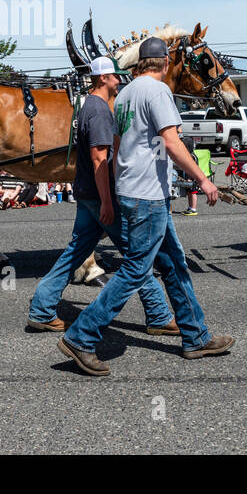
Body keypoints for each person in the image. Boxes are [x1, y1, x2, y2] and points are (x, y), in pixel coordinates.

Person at [56, 36, 235, 377]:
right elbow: (172, 142)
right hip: (147, 196)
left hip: (134, 191)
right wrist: (203, 178)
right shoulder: (158, 91)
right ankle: (81, 336)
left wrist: (114, 192)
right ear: (166, 64)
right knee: (136, 269)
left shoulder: (124, 94)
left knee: (174, 264)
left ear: (140, 64)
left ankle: (195, 337)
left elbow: (118, 146)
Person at [27, 56, 176, 335]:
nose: (119, 80)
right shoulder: (98, 110)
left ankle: (41, 309)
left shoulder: (90, 106)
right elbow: (99, 160)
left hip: (86, 193)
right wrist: (108, 201)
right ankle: (158, 315)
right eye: (115, 76)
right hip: (98, 196)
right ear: (103, 79)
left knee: (76, 253)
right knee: (137, 255)